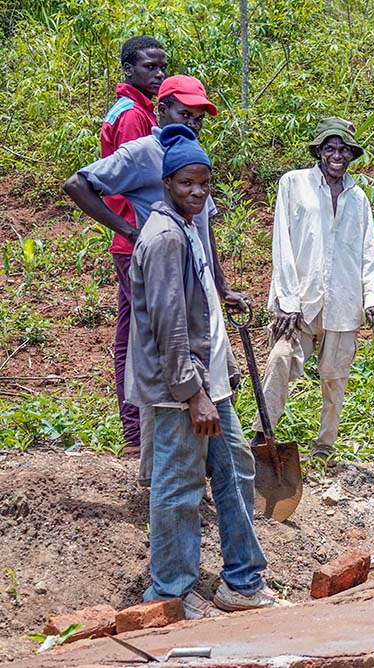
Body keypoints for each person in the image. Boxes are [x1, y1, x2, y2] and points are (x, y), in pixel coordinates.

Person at [126, 124, 283, 618]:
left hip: (210, 383)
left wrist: (215, 380)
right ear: (167, 183)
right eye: (187, 183)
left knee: (235, 469)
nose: (197, 192)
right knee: (179, 486)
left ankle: (240, 581)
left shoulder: (190, 226)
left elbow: (199, 310)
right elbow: (170, 329)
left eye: (205, 184)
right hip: (182, 391)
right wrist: (193, 393)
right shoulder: (165, 237)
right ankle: (170, 593)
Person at [64, 75, 247, 483]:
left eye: (199, 117)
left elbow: (205, 227)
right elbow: (78, 185)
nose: (194, 122)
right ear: (161, 110)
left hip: (195, 278)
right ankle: (157, 477)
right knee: (166, 372)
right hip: (163, 273)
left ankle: (193, 473)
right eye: (185, 114)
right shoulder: (140, 153)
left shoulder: (190, 154)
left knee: (208, 368)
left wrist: (220, 285)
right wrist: (128, 231)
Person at [251, 118, 374, 459]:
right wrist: (287, 301)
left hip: (343, 302)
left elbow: (367, 253)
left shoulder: (359, 200)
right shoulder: (294, 184)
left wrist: (372, 297)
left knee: (335, 378)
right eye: (329, 149)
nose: (336, 156)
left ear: (351, 155)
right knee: (280, 360)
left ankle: (324, 446)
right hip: (299, 301)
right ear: (319, 152)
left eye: (343, 150)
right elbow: (282, 242)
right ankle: (261, 436)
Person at [101, 35, 167, 455]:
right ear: (128, 70)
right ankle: (136, 432)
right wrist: (133, 232)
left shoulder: (139, 109)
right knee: (141, 335)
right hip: (135, 239)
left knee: (132, 331)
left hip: (133, 238)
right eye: (149, 67)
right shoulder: (132, 118)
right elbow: (133, 178)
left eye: (162, 67)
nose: (158, 74)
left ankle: (135, 430)